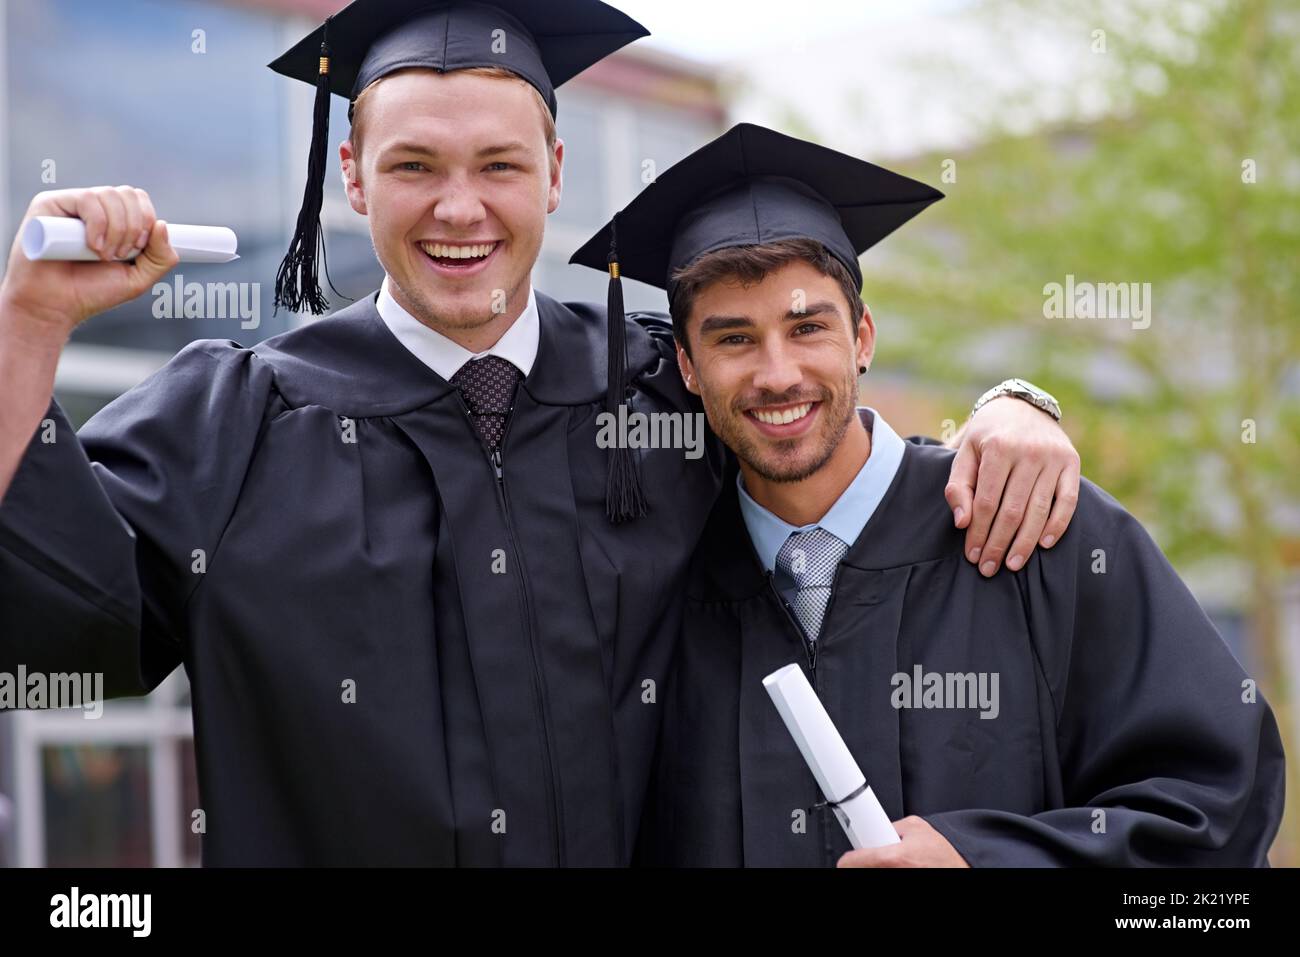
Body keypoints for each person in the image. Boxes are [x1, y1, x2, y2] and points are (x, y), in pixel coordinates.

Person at [0, 4, 1080, 865]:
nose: (459, 209)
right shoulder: (234, 424)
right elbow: (53, 628)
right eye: (415, 166)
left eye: (500, 167)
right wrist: (29, 324)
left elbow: (831, 454)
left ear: (557, 174)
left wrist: (1014, 411)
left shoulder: (665, 392)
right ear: (353, 178)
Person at [575, 123, 1287, 867]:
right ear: (687, 367)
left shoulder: (1034, 531)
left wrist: (990, 861)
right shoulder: (662, 580)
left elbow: (1216, 823)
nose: (777, 373)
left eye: (807, 326)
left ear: (863, 337)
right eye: (734, 340)